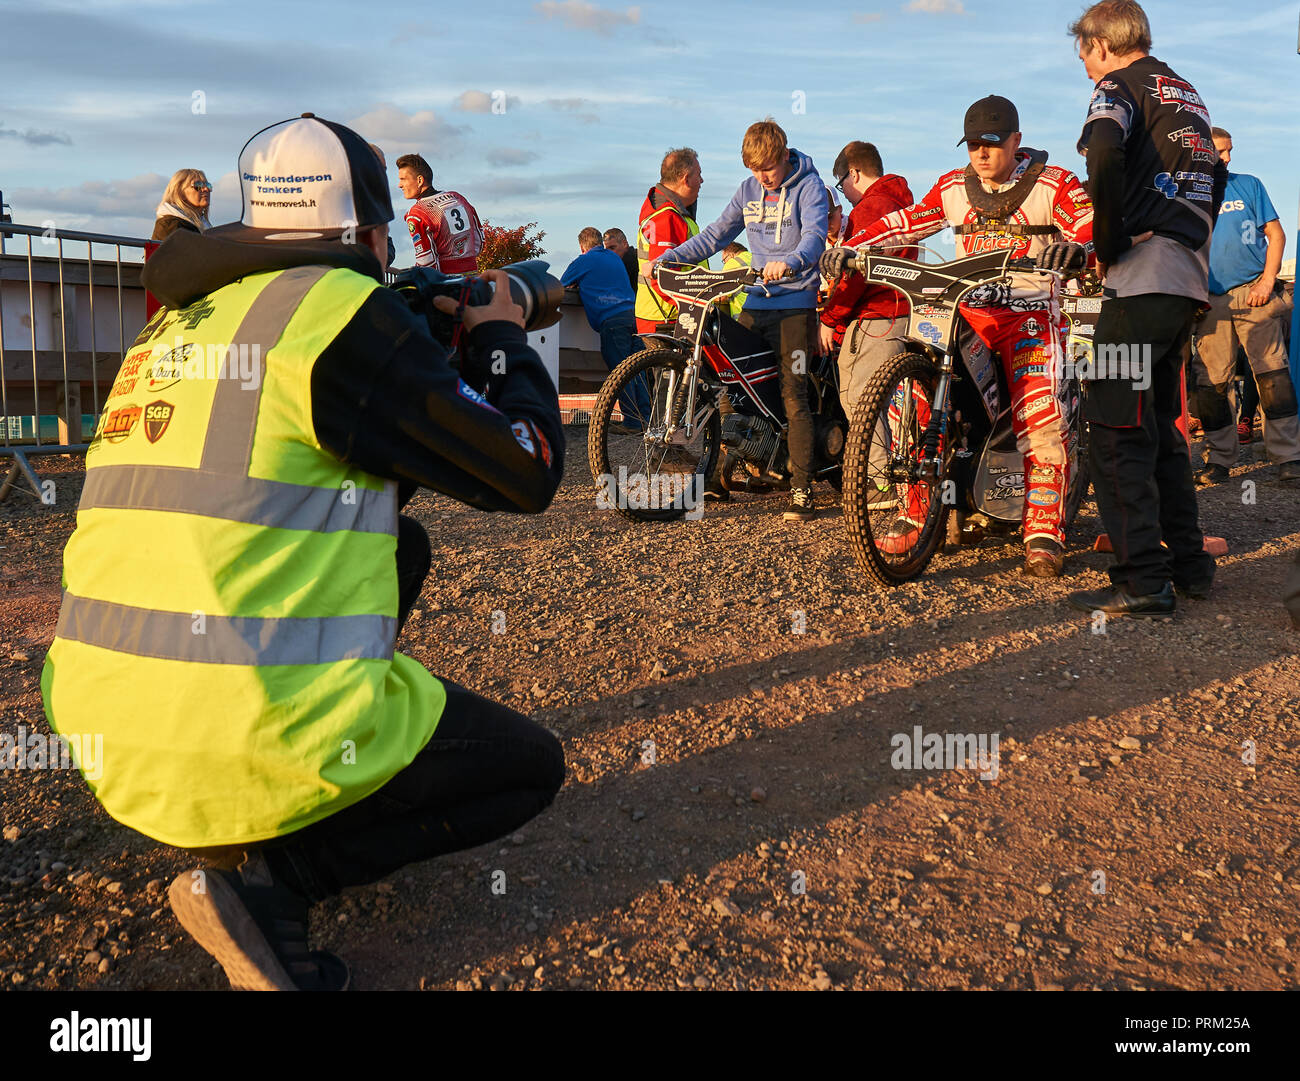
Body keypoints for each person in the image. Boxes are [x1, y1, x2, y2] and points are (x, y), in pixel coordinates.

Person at [41, 113, 566, 991]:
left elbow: (289, 472)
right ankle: (276, 877)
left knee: (398, 549)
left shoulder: (182, 321)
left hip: (110, 732)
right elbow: (526, 469)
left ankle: (253, 813)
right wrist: (501, 331)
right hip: (222, 732)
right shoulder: (338, 315)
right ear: (366, 234)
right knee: (526, 768)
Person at [824, 97, 1094, 575]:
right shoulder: (953, 186)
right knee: (917, 397)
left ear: (1016, 140)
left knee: (1040, 415)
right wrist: (849, 248)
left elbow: (1089, 224)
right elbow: (905, 222)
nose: (981, 154)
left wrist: (1078, 248)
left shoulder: (1056, 183)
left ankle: (1043, 530)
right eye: (973, 145)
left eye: (992, 144)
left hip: (1030, 311)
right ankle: (919, 509)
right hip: (968, 308)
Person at [1062, 0, 1226, 619]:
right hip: (1187, 280)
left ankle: (1143, 580)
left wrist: (1105, 240)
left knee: (1114, 429)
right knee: (1158, 428)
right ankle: (1189, 566)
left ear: (1103, 44)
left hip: (1142, 282)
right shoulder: (1185, 92)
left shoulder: (1117, 86)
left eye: (1083, 50)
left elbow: (1102, 152)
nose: (1082, 63)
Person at [656, 119, 828, 522]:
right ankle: (719, 476)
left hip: (794, 303)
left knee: (792, 395)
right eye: (754, 169)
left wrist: (792, 263)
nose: (763, 177)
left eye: (768, 168)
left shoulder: (810, 186)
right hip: (756, 301)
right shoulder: (749, 189)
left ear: (784, 156)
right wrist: (670, 259)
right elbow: (716, 234)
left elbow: (815, 236)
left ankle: (803, 489)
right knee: (733, 388)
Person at [1190, 126, 1300, 485]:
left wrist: (1268, 281)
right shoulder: (1187, 192)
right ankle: (1219, 460)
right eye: (1221, 151)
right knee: (1211, 384)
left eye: (1230, 150)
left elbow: (1276, 234)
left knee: (1273, 377)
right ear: (1202, 151)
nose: (1228, 158)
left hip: (1254, 292)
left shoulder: (1248, 184)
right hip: (1209, 301)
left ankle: (1288, 458)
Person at [819, 141, 915, 419]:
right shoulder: (898, 203)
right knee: (879, 407)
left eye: (842, 184)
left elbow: (858, 272)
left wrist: (829, 319)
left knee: (860, 405)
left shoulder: (870, 208)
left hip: (873, 320)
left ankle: (873, 465)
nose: (845, 194)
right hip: (896, 314)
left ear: (854, 173)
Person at [562, 226, 649, 430]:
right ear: (600, 242)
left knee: (620, 372)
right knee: (638, 371)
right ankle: (646, 419)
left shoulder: (583, 261)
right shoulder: (614, 258)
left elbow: (559, 286)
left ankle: (632, 422)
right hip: (633, 316)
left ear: (582, 246)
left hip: (612, 321)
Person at [636, 147, 704, 335]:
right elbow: (662, 274)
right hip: (669, 317)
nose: (702, 181)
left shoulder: (666, 213)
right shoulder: (667, 217)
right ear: (686, 178)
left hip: (659, 314)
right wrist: (695, 307)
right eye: (699, 174)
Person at [396, 152, 484, 272]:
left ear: (420, 180)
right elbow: (480, 241)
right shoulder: (458, 198)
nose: (399, 185)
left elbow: (426, 262)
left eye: (403, 179)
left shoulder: (417, 214)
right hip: (472, 276)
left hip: (446, 283)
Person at [151, 169, 211, 241]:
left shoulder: (207, 229)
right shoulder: (168, 225)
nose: (206, 189)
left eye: (208, 185)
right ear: (180, 193)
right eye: (198, 185)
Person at [721, 241, 752, 320]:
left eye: (724, 260)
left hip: (745, 317)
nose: (724, 264)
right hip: (765, 311)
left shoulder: (731, 264)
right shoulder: (754, 258)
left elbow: (722, 296)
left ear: (731, 255)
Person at [603, 227, 639, 292]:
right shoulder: (637, 256)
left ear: (625, 244)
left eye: (612, 248)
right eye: (606, 250)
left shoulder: (629, 262)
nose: (609, 252)